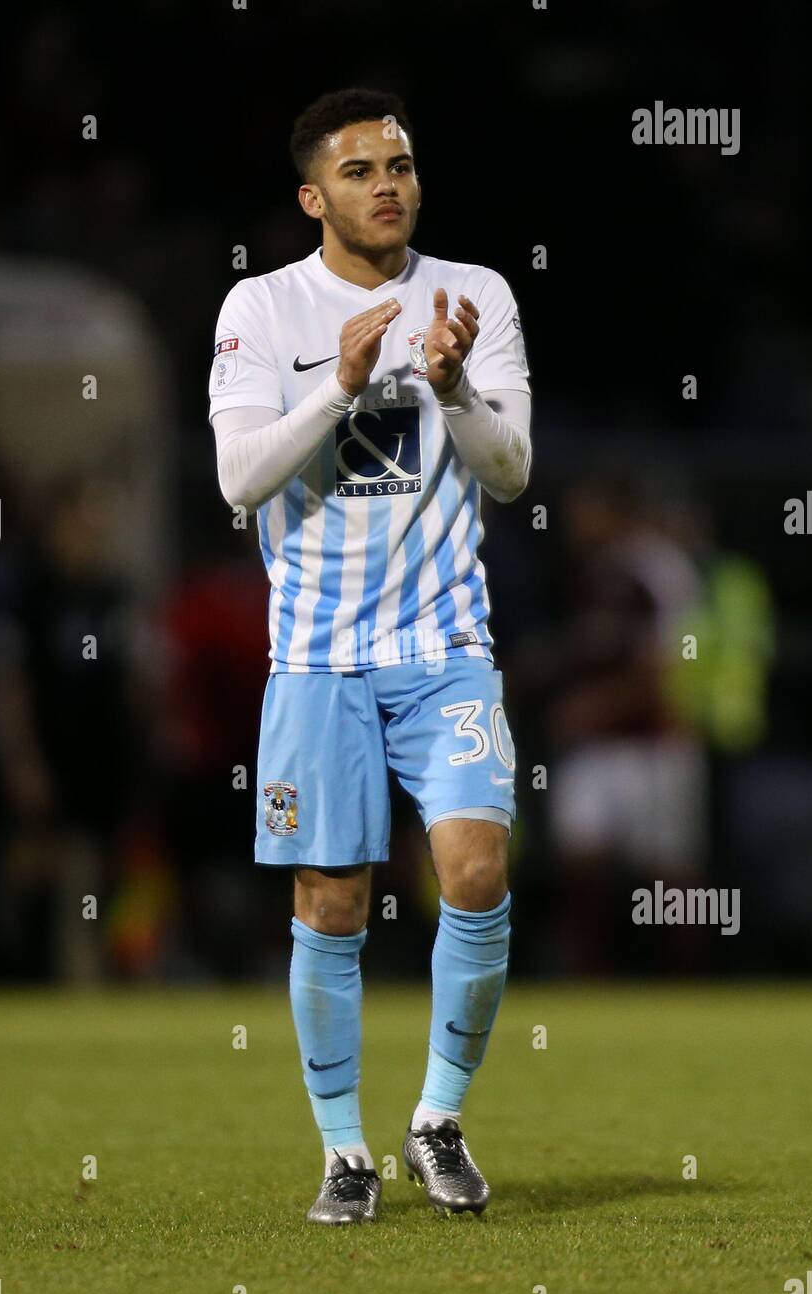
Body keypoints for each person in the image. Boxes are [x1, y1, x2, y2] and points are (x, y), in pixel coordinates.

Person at [208, 88, 532, 1223]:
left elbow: (509, 470)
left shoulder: (475, 296)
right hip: (314, 658)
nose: (386, 183)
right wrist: (340, 387)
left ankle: (436, 1121)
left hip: (445, 644)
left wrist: (446, 385)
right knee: (332, 900)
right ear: (313, 197)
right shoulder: (259, 309)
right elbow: (239, 479)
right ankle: (344, 1151)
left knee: (477, 871)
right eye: (358, 171)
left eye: (398, 164)